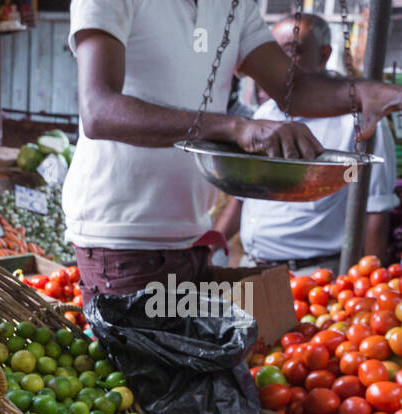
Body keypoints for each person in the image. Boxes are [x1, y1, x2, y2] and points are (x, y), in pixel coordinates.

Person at [64, 0, 402, 304]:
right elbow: (99, 111)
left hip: (192, 237)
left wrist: (368, 94)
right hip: (121, 239)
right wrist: (235, 127)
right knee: (146, 372)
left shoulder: (233, 6)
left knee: (196, 370)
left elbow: (294, 89)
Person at [216, 14, 399, 275]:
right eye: (271, 53)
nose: (275, 64)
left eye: (291, 52)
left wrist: (366, 282)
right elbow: (243, 196)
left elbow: (375, 210)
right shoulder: (265, 114)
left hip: (316, 273)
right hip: (252, 266)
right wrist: (210, 245)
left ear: (324, 55)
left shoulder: (359, 124)